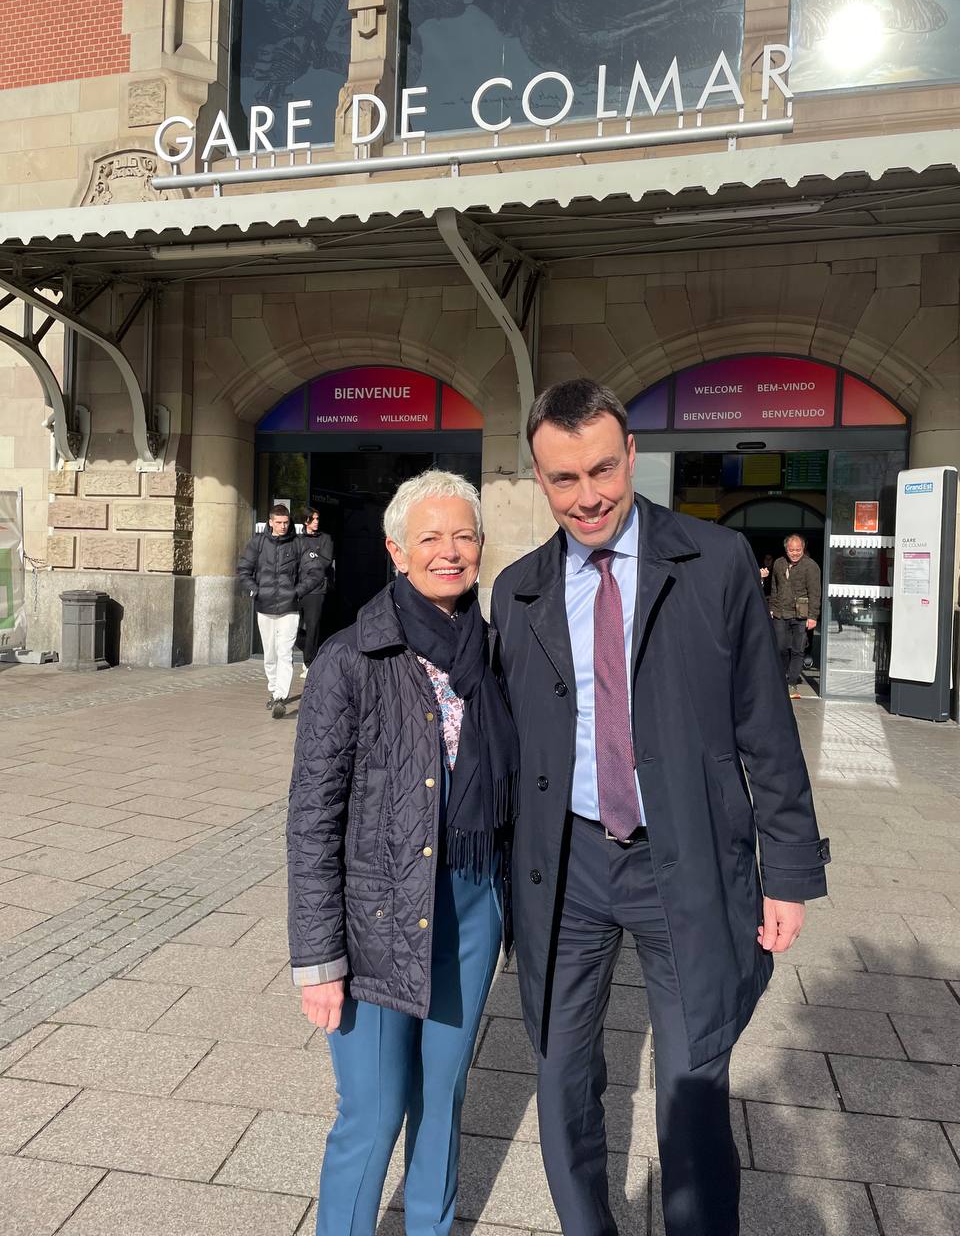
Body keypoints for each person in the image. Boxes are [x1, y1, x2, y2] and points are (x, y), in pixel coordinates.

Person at [491, 379, 829, 1236]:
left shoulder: (711, 564)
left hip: (684, 858)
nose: (588, 496)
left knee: (692, 1078)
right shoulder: (519, 591)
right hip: (567, 870)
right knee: (562, 1069)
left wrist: (786, 874)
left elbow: (765, 729)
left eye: (602, 469)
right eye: (563, 479)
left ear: (632, 455)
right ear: (540, 479)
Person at [287, 470, 518, 1236]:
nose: (448, 552)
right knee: (374, 1109)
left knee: (444, 1100)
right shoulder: (350, 660)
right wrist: (319, 959)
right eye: (430, 537)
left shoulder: (494, 652)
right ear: (395, 549)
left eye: (464, 536)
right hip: (375, 918)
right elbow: (312, 818)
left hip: (471, 905)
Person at [237, 503, 325, 719]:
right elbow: (243, 570)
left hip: (289, 607)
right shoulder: (258, 544)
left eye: (286, 522)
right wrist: (255, 590)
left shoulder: (298, 544)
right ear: (270, 522)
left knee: (284, 652)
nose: (283, 526)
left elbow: (314, 572)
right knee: (270, 653)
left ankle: (280, 697)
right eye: (279, 522)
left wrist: (297, 592)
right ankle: (274, 689)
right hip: (264, 606)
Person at [769, 533, 821, 700]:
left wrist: (813, 616)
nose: (795, 553)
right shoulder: (778, 563)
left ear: (803, 549)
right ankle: (783, 676)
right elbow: (775, 587)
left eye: (798, 550)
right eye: (792, 550)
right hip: (780, 612)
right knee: (780, 647)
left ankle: (791, 682)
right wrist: (771, 608)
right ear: (786, 549)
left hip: (801, 614)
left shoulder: (811, 566)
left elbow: (815, 593)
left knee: (798, 650)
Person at [298, 508, 335, 678]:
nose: (316, 521)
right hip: (297, 588)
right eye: (312, 519)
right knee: (293, 629)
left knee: (312, 626)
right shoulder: (297, 539)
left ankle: (309, 663)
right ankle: (308, 649)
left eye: (317, 518)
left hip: (316, 589)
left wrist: (310, 557)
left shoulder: (325, 538)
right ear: (305, 521)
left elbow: (324, 562)